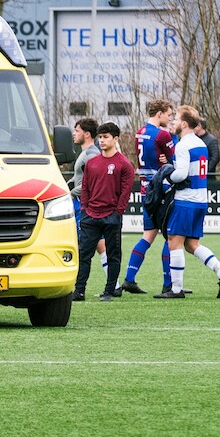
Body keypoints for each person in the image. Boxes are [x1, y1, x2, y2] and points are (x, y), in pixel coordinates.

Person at [154, 106, 220, 299]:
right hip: (200, 200)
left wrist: (166, 178)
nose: (172, 122)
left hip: (186, 200)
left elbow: (181, 174)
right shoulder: (201, 143)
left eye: (175, 120)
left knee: (174, 241)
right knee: (191, 244)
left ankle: (176, 290)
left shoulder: (182, 145)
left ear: (184, 123)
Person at [73, 121, 134, 302]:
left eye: (106, 137)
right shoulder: (92, 163)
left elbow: (125, 192)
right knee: (84, 254)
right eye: (100, 137)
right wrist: (85, 209)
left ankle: (109, 291)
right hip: (90, 215)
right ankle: (79, 291)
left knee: (113, 255)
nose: (102, 140)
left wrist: (117, 213)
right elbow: (85, 189)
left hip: (111, 217)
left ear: (115, 139)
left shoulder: (124, 165)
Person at [120, 99, 175, 295]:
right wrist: (168, 158)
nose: (170, 118)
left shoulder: (140, 132)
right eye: (168, 114)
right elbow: (176, 160)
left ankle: (129, 279)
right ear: (159, 113)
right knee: (171, 238)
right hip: (161, 189)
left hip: (145, 190)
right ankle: (169, 284)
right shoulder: (162, 134)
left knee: (148, 236)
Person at [69, 118, 108, 280]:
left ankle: (79, 286)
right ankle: (115, 284)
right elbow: (80, 178)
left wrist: (70, 193)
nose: (74, 134)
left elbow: (93, 181)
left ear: (86, 134)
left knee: (85, 246)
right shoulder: (86, 153)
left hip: (86, 205)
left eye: (77, 130)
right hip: (82, 203)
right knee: (99, 244)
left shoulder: (92, 153)